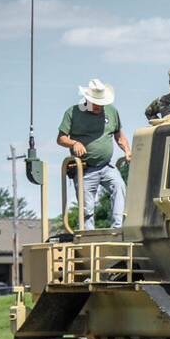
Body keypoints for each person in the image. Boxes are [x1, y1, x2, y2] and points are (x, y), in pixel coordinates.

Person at [57, 78, 131, 230]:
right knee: (87, 208)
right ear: (87, 100)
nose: (99, 107)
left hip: (107, 165)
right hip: (85, 168)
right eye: (96, 103)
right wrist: (74, 143)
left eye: (102, 103)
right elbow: (61, 138)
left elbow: (119, 135)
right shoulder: (73, 112)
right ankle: (88, 236)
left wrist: (128, 151)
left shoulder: (111, 111)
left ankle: (118, 228)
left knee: (119, 187)